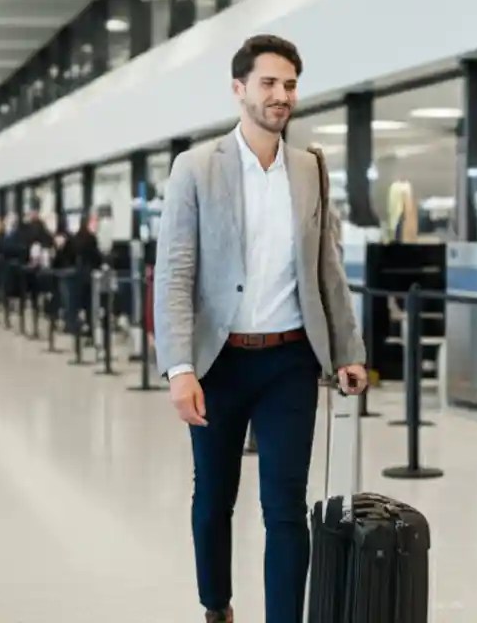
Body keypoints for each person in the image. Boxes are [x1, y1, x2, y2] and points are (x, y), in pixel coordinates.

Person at [153, 34, 367, 623]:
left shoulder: (309, 168)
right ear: (239, 89)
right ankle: (217, 606)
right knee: (214, 498)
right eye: (269, 83)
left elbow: (327, 265)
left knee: (285, 507)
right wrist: (179, 368)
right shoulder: (196, 167)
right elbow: (174, 274)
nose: (281, 95)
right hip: (218, 362)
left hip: (289, 362)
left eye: (290, 84)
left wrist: (348, 349)